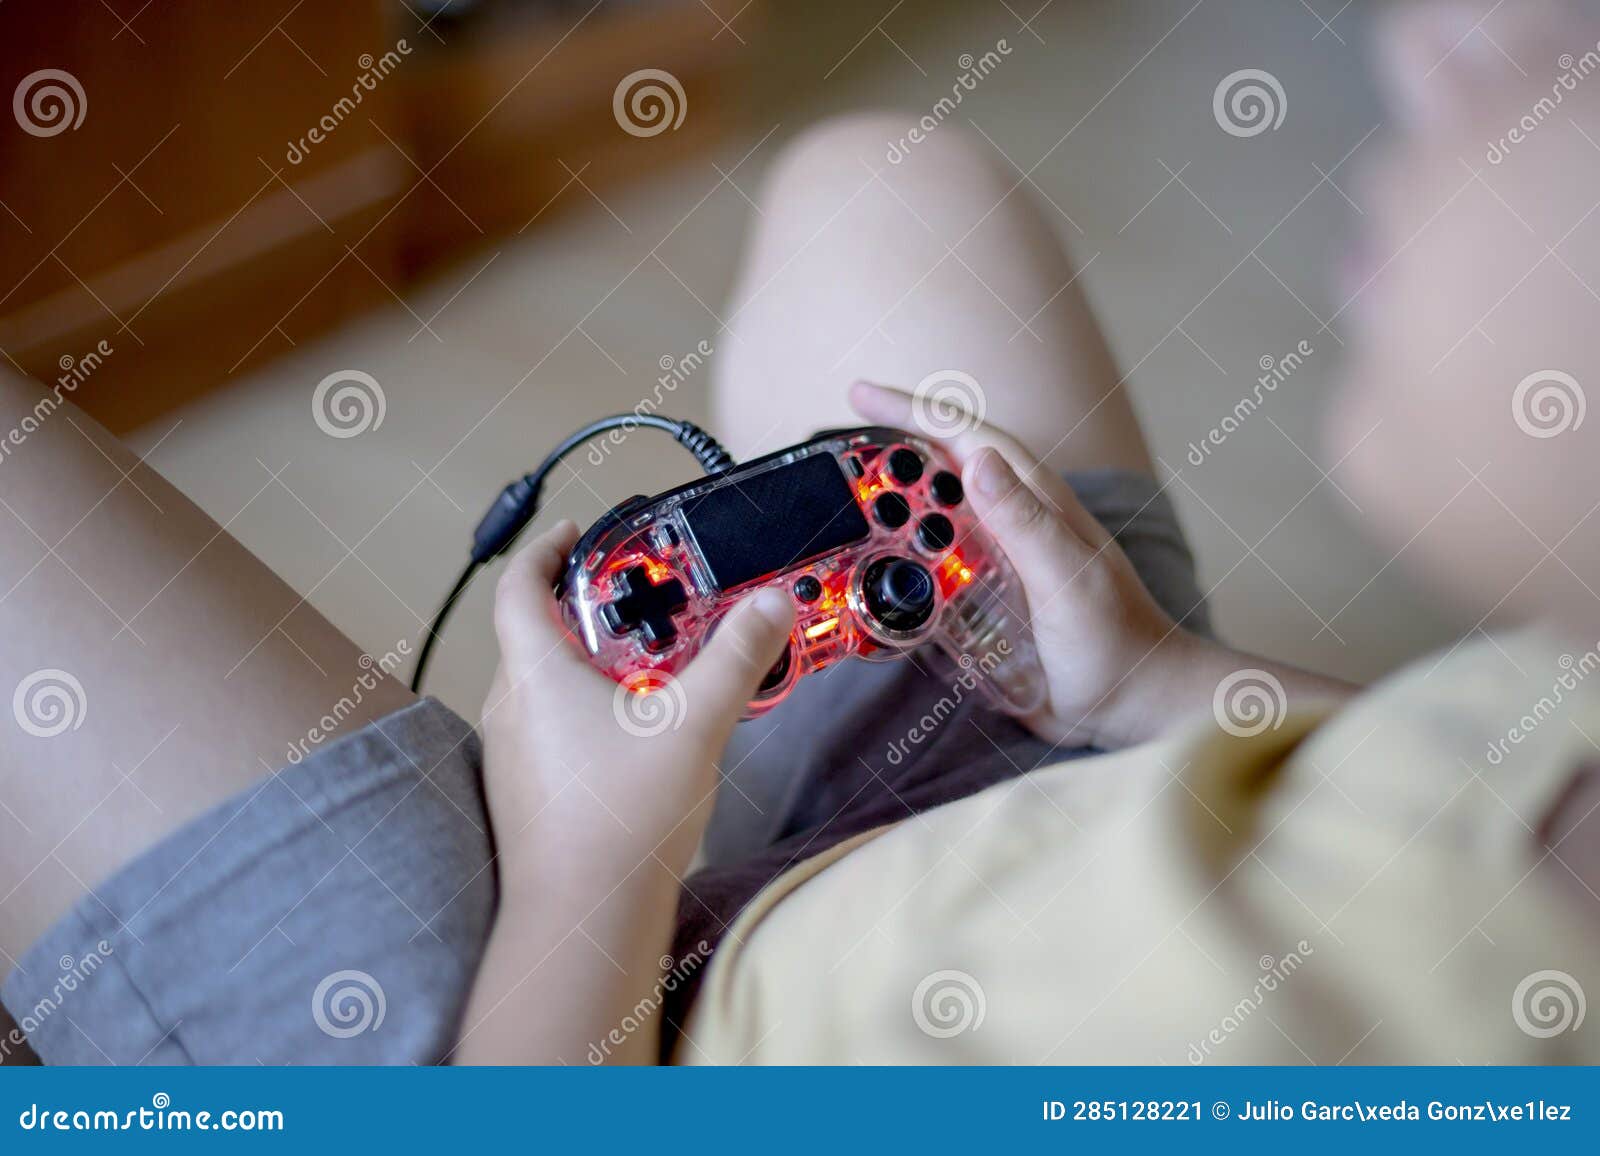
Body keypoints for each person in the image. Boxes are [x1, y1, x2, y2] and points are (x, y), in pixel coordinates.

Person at [3, 0, 1597, 1065]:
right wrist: (1165, 687)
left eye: (1562, 66)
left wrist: (588, 877)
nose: (1433, 42)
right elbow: (1441, 780)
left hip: (598, 1050)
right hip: (1066, 816)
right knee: (883, 182)